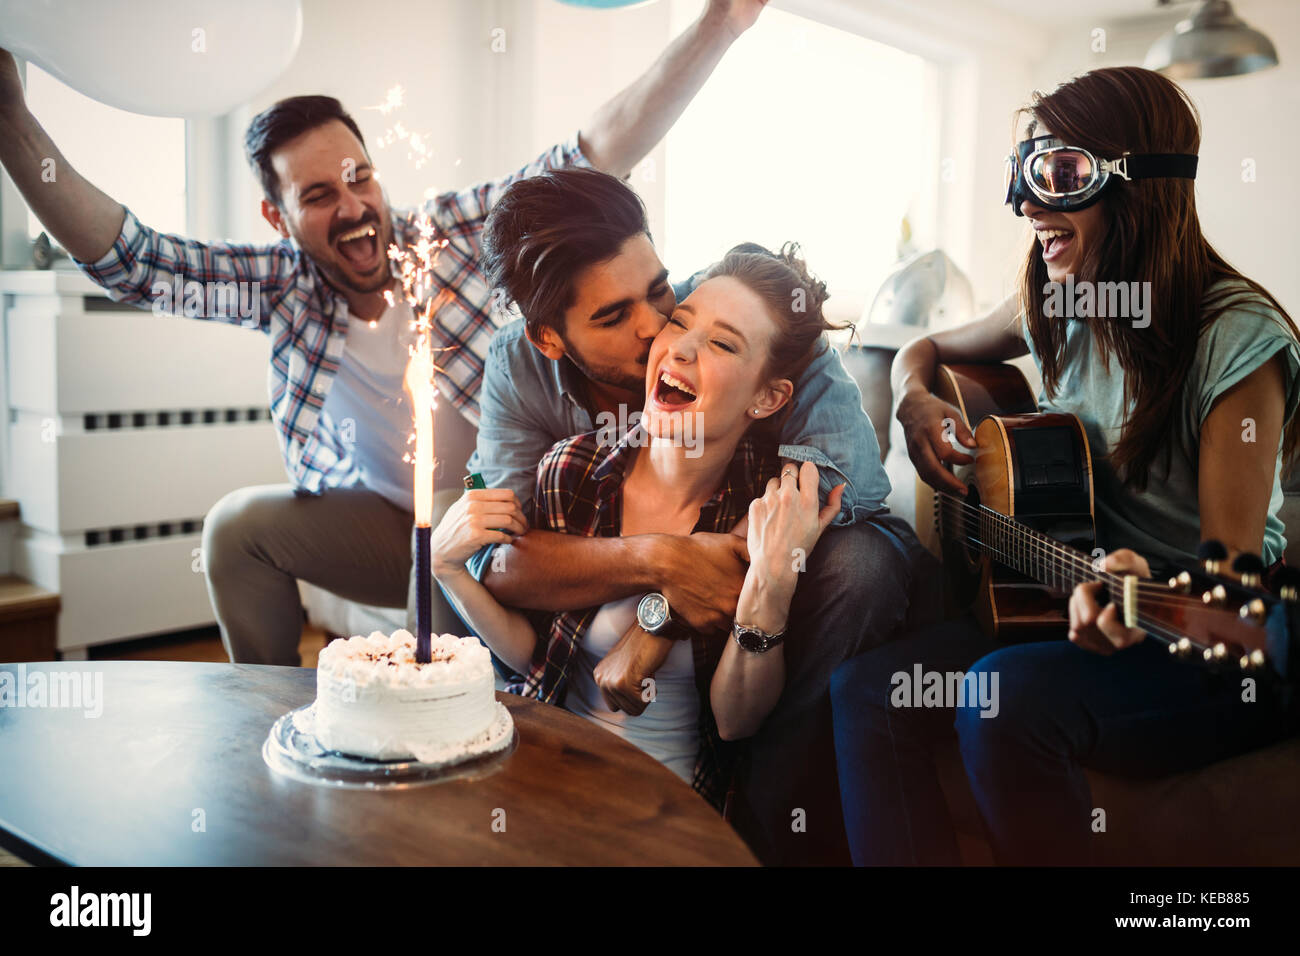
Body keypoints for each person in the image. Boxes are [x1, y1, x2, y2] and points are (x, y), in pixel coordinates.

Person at [0, 0, 771, 666]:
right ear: (278, 216)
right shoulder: (282, 286)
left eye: (360, 177)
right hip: (378, 515)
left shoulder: (449, 233)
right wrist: (14, 126)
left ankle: (417, 745)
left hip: (500, 507)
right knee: (236, 530)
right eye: (320, 194)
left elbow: (593, 153)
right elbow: (137, 263)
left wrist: (718, 24)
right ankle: (269, 721)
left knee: (432, 539)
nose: (354, 206)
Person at [831, 66, 1300, 866]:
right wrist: (913, 400)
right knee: (865, 692)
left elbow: (1233, 607)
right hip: (1071, 590)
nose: (1026, 205)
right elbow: (925, 347)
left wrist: (1131, 585)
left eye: (1057, 175)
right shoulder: (1062, 296)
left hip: (1216, 646)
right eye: (1023, 173)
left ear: (1140, 185)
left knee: (997, 703)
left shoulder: (1235, 343)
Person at [461, 168, 939, 865]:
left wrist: (665, 617)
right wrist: (661, 562)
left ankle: (770, 812)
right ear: (550, 339)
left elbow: (847, 484)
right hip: (595, 624)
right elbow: (497, 554)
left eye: (659, 291)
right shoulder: (530, 388)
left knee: (857, 562)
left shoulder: (732, 314)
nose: (659, 326)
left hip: (789, 543)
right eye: (613, 317)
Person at [432, 244, 847, 813]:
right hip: (539, 773)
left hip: (668, 811)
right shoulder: (573, 468)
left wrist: (768, 593)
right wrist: (448, 570)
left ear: (767, 397)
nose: (682, 346)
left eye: (723, 343)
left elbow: (735, 722)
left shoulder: (766, 510)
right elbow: (530, 656)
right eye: (679, 322)